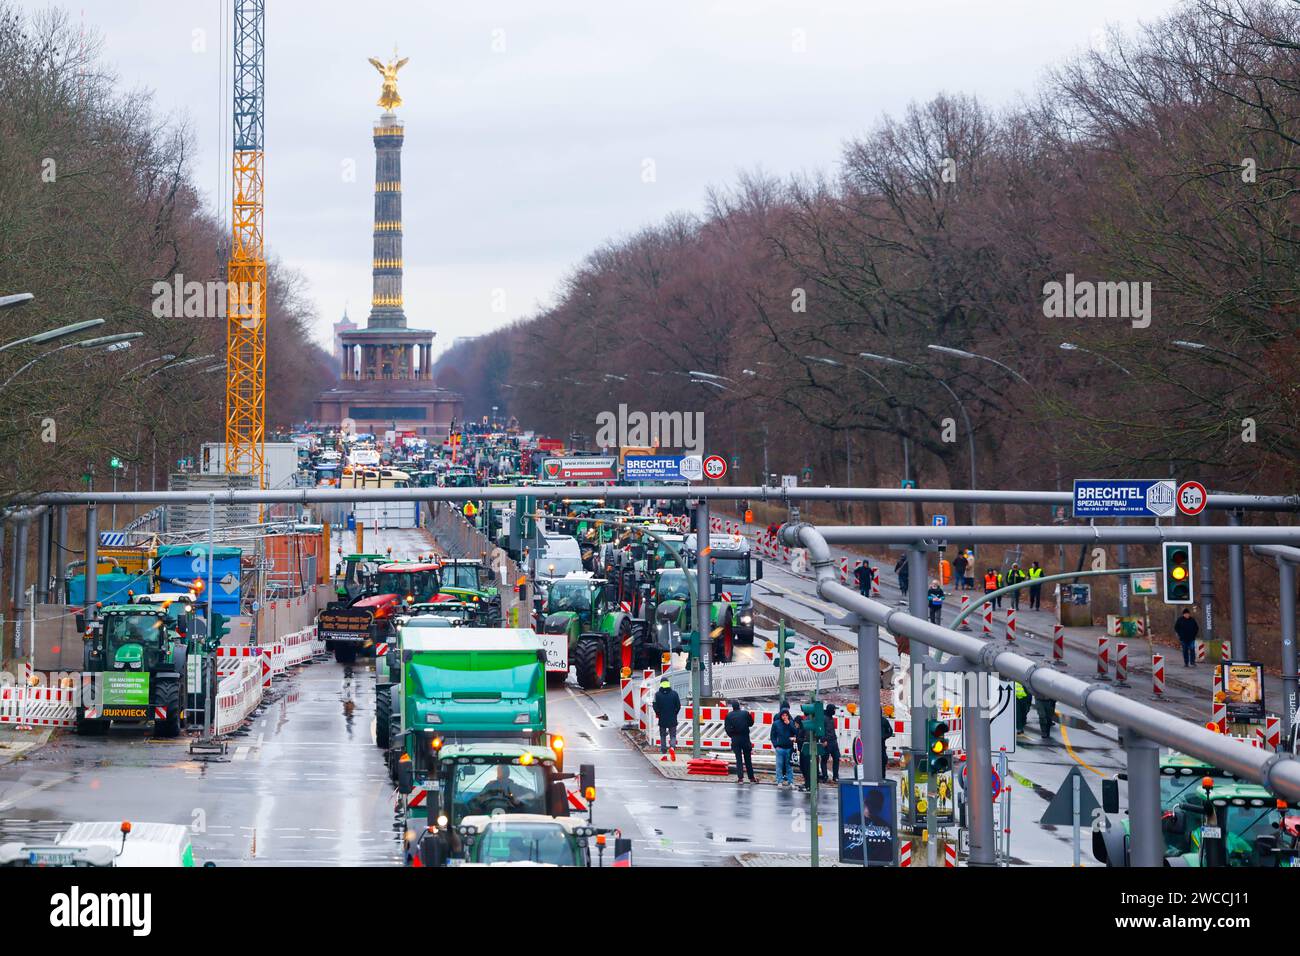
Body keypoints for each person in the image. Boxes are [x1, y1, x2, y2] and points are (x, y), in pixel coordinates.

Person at [724, 700, 757, 783]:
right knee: (748, 759)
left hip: (735, 739)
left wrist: (732, 735)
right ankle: (751, 778)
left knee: (738, 759)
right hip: (745, 738)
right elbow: (751, 723)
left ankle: (740, 778)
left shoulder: (729, 716)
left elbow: (727, 729)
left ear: (732, 707)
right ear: (739, 706)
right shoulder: (745, 713)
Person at [652, 678, 681, 760]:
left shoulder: (657, 695)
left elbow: (655, 706)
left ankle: (663, 750)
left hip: (662, 719)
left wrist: (659, 714)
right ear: (668, 683)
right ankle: (672, 747)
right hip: (672, 718)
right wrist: (674, 713)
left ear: (661, 684)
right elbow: (678, 706)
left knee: (663, 735)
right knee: (673, 735)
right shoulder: (674, 694)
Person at [771, 709, 796, 787]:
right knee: (779, 765)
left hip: (789, 747)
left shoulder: (791, 723)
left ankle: (790, 781)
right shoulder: (776, 724)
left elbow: (796, 732)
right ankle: (779, 781)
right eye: (783, 715)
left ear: (788, 716)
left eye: (786, 715)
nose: (784, 717)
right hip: (780, 748)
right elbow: (773, 736)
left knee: (789, 766)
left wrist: (789, 724)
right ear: (780, 716)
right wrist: (776, 745)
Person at [818, 703, 840, 783]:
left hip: (834, 741)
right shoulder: (824, 718)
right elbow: (820, 730)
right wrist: (823, 740)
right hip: (827, 742)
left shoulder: (831, 718)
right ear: (830, 710)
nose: (835, 711)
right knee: (824, 759)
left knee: (836, 758)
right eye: (834, 709)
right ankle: (825, 776)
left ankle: (835, 776)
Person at [793, 713, 812, 791]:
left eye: (796, 723)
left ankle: (808, 784)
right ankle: (807, 783)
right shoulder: (799, 729)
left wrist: (796, 740)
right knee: (803, 768)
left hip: (805, 752)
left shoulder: (804, 729)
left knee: (806, 768)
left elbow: (806, 740)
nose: (795, 725)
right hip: (802, 751)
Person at [879, 712, 894, 778]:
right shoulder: (869, 720)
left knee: (882, 761)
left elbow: (890, 732)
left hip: (881, 746)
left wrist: (883, 737)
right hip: (872, 747)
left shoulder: (884, 721)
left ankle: (882, 778)